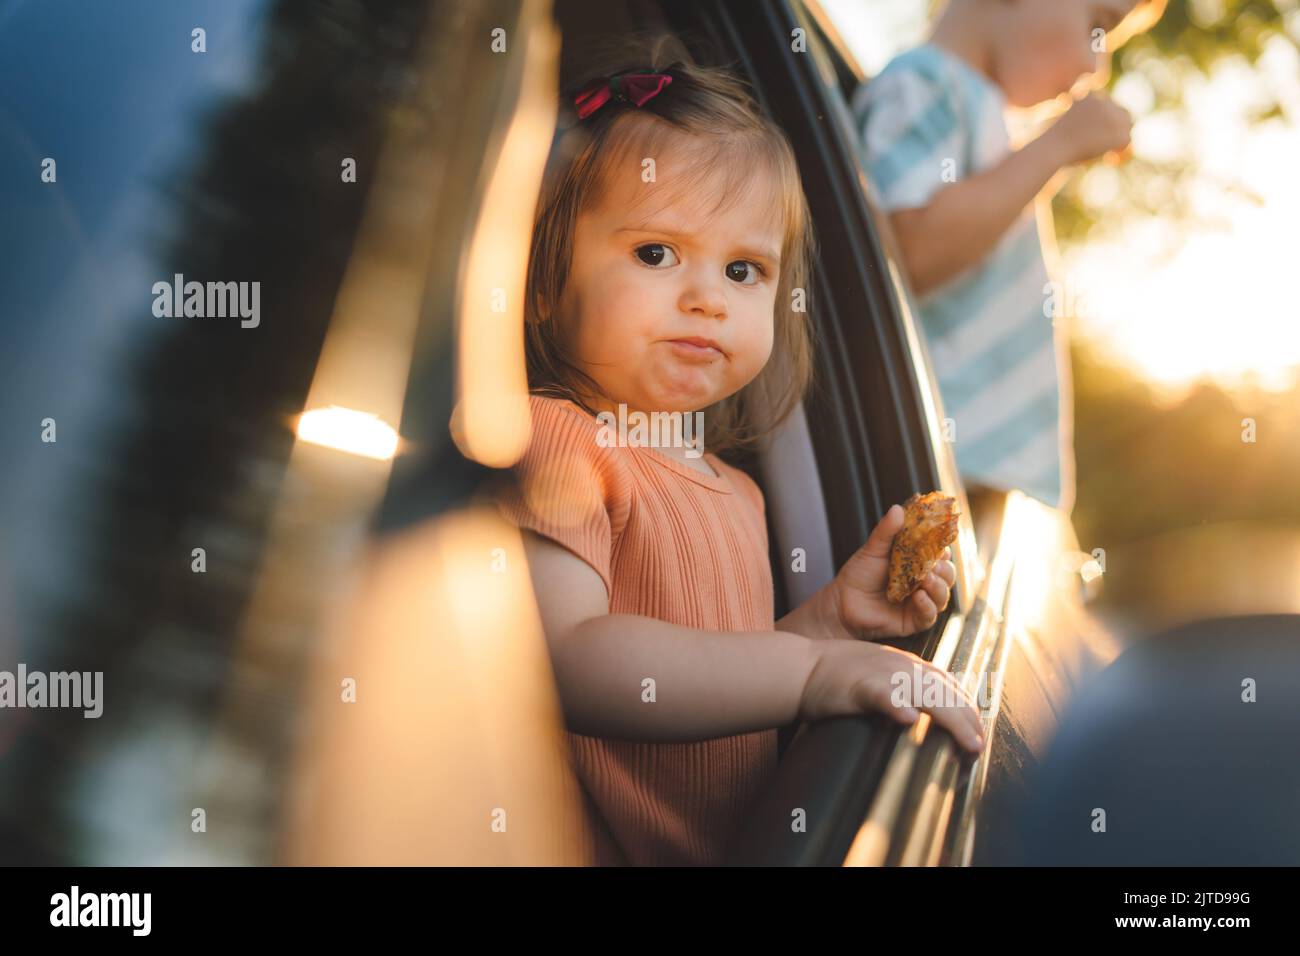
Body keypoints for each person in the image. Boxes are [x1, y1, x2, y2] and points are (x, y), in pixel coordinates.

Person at [496, 36, 982, 866]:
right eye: (656, 253)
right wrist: (807, 676)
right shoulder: (558, 442)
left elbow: (719, 680)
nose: (706, 299)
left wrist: (828, 623)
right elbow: (573, 657)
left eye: (745, 270)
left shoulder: (737, 491)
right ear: (543, 280)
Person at [853, 0, 1166, 511]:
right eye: (1098, 26)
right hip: (936, 473)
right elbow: (910, 253)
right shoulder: (923, 86)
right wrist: (1057, 146)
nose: (1096, 66)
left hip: (978, 479)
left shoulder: (981, 112)